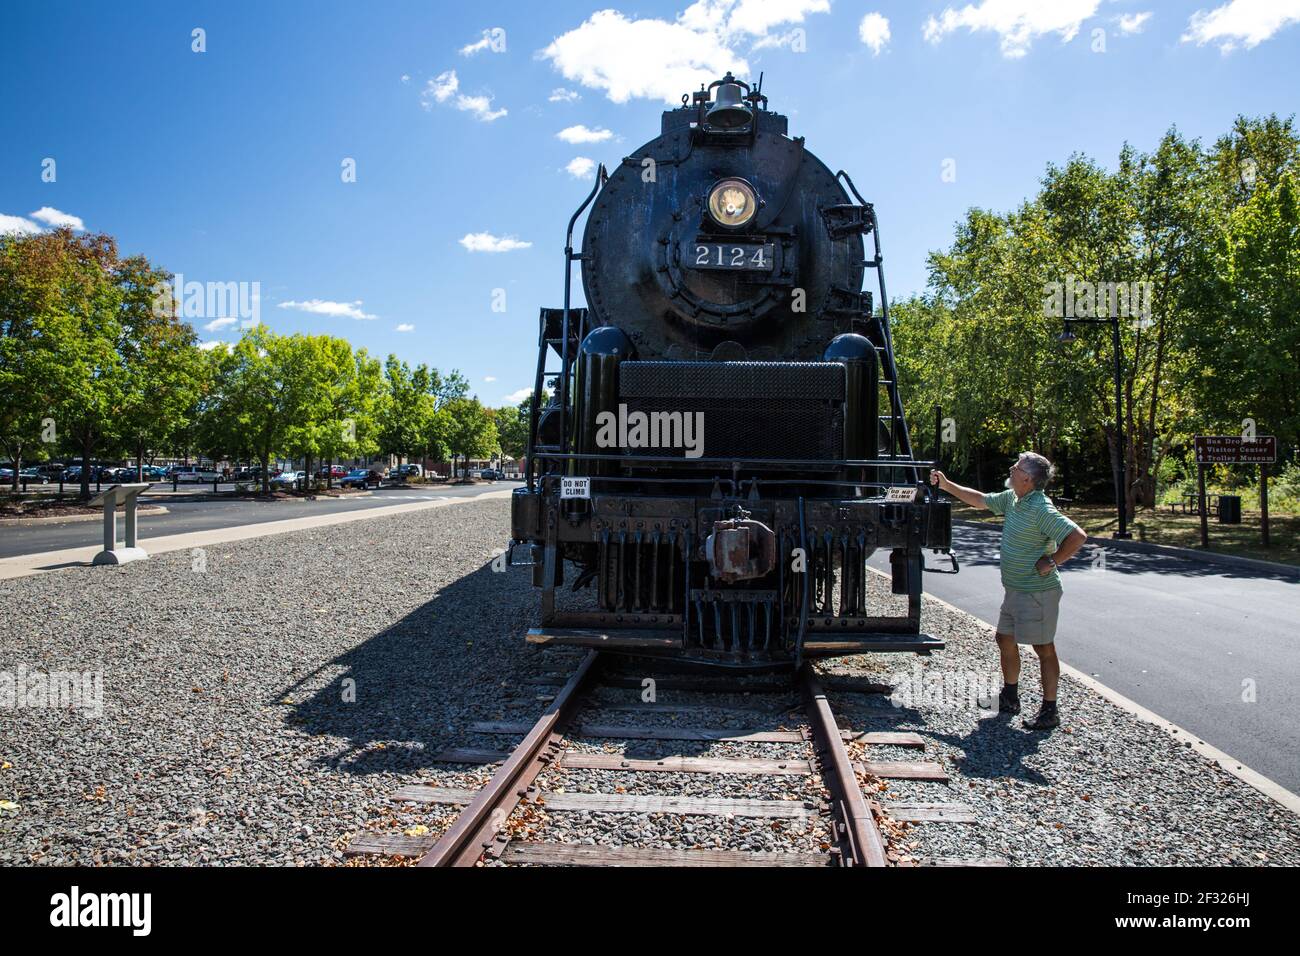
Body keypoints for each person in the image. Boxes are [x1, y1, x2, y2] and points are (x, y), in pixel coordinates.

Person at [930, 452, 1087, 730]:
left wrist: (1052, 561)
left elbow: (1077, 536)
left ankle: (1050, 710)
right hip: (1015, 589)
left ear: (1027, 478)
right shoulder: (1014, 499)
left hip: (1038, 592)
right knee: (1004, 638)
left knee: (1043, 647)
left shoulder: (1040, 508)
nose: (1012, 469)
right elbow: (980, 500)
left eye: (1017, 467)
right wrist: (946, 485)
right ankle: (1010, 697)